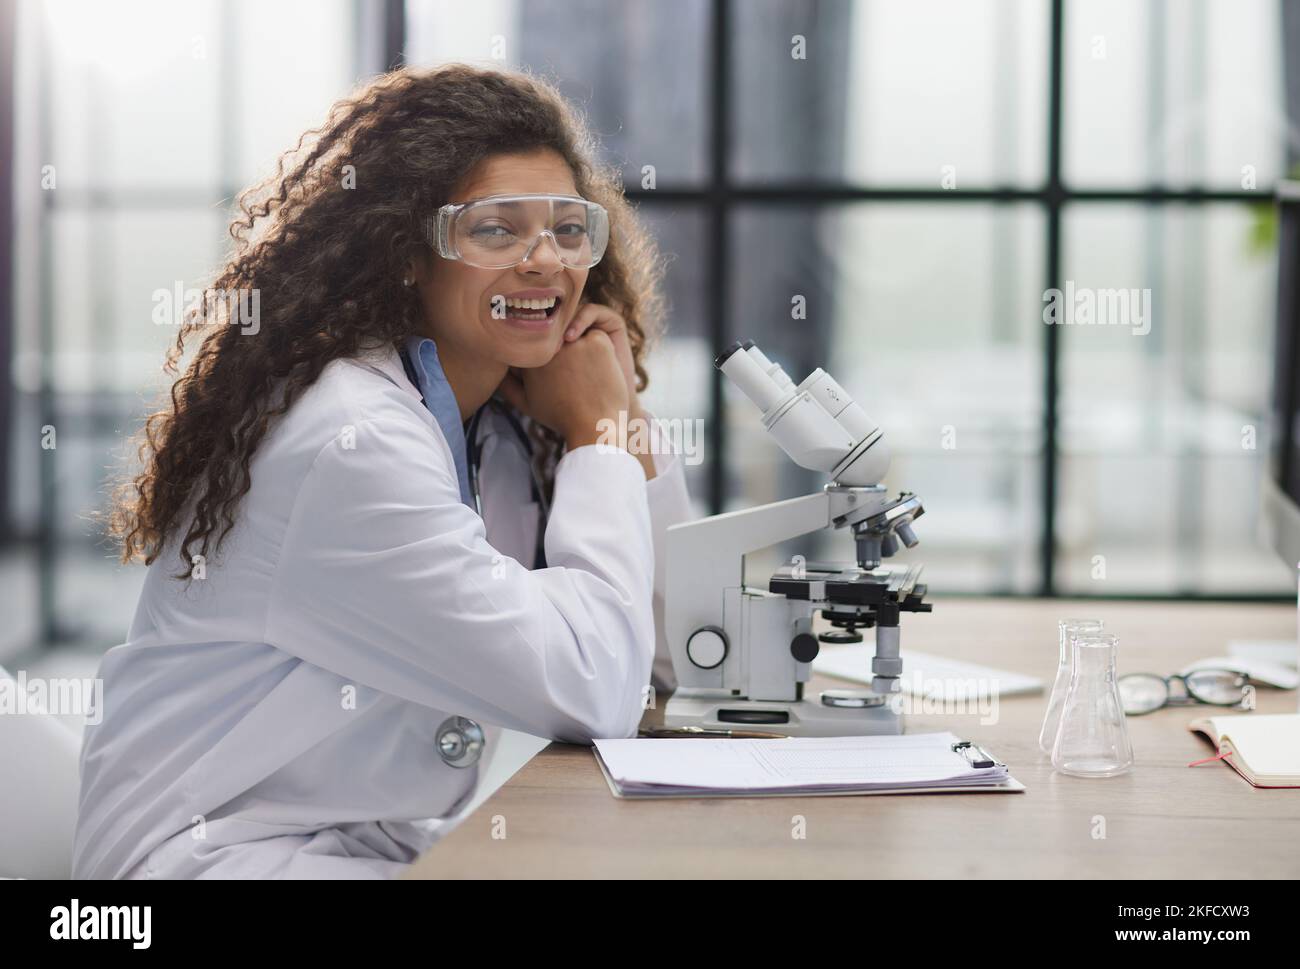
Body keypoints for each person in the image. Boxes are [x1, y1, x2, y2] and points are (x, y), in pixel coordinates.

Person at [71, 64, 693, 879]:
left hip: (373, 851)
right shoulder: (351, 442)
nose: (546, 261)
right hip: (221, 860)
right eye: (496, 230)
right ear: (407, 253)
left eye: (567, 229)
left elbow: (676, 653)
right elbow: (592, 687)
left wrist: (625, 426)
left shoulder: (499, 428)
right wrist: (597, 431)